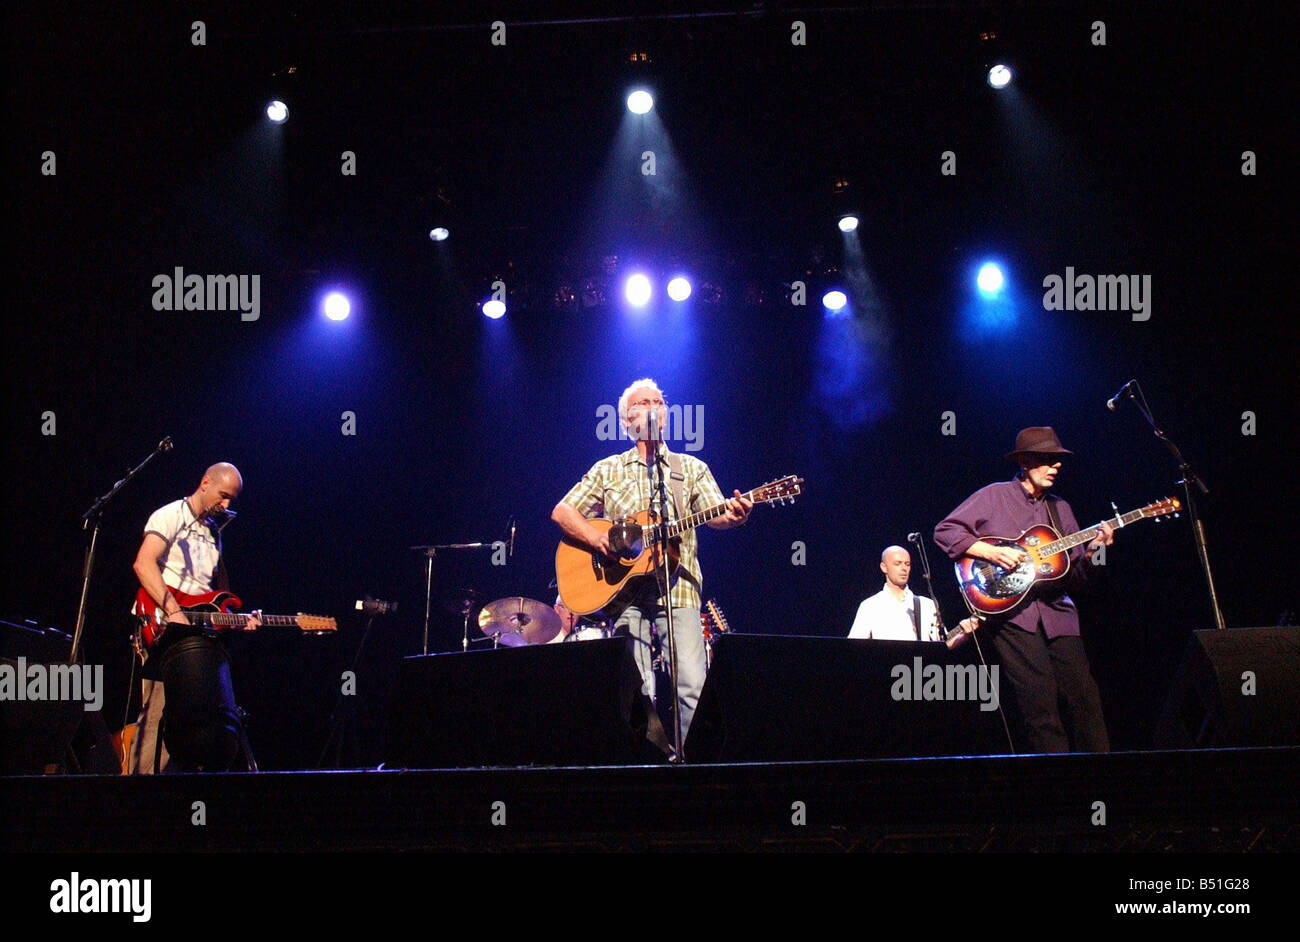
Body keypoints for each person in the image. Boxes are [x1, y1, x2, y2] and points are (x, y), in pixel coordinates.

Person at [551, 378, 752, 754]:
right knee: (636, 688)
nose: (653, 407)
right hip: (622, 593)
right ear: (627, 420)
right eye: (644, 402)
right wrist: (599, 540)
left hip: (679, 588)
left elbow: (717, 514)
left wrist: (737, 515)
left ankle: (700, 772)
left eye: (659, 402)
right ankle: (645, 767)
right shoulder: (608, 469)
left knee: (693, 682)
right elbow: (563, 511)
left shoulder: (689, 468)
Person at [933, 427, 1114, 753]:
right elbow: (945, 531)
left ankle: (1101, 781)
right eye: (1047, 460)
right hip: (1012, 616)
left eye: (1058, 461)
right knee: (1039, 706)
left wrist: (1094, 554)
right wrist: (988, 552)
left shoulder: (1062, 510)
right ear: (1025, 462)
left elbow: (1076, 577)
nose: (1056, 467)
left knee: (1085, 701)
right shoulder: (994, 496)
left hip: (1059, 614)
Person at [128, 462, 259, 772]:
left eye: (232, 500)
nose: (226, 505)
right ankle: (139, 788)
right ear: (204, 483)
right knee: (159, 710)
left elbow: (214, 594)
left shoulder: (214, 533)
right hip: (163, 624)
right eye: (223, 495)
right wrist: (174, 613)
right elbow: (143, 564)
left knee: (203, 715)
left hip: (197, 635)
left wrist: (239, 620)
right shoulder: (171, 514)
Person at [847, 545, 941, 641]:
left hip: (917, 657)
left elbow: (941, 643)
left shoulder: (926, 604)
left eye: (907, 564)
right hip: (888, 656)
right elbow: (853, 646)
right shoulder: (869, 606)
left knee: (918, 657)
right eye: (897, 563)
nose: (904, 568)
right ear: (884, 567)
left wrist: (956, 636)